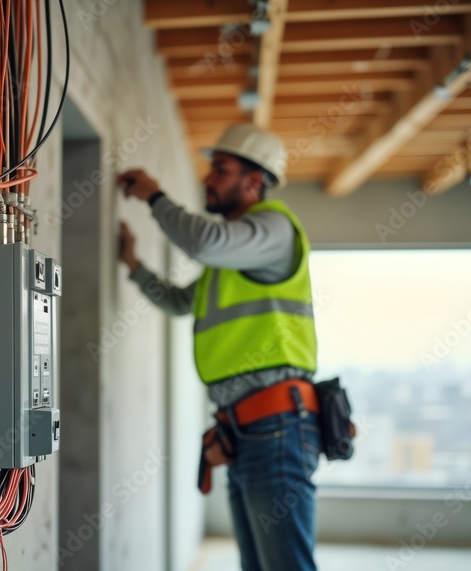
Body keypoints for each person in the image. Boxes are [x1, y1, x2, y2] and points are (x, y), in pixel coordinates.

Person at [117, 123, 320, 571]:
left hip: (277, 426)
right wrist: (133, 265)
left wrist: (155, 195)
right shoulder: (232, 259)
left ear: (253, 182)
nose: (208, 179)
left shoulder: (273, 229)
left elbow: (205, 242)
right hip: (246, 431)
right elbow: (177, 301)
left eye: (220, 170)